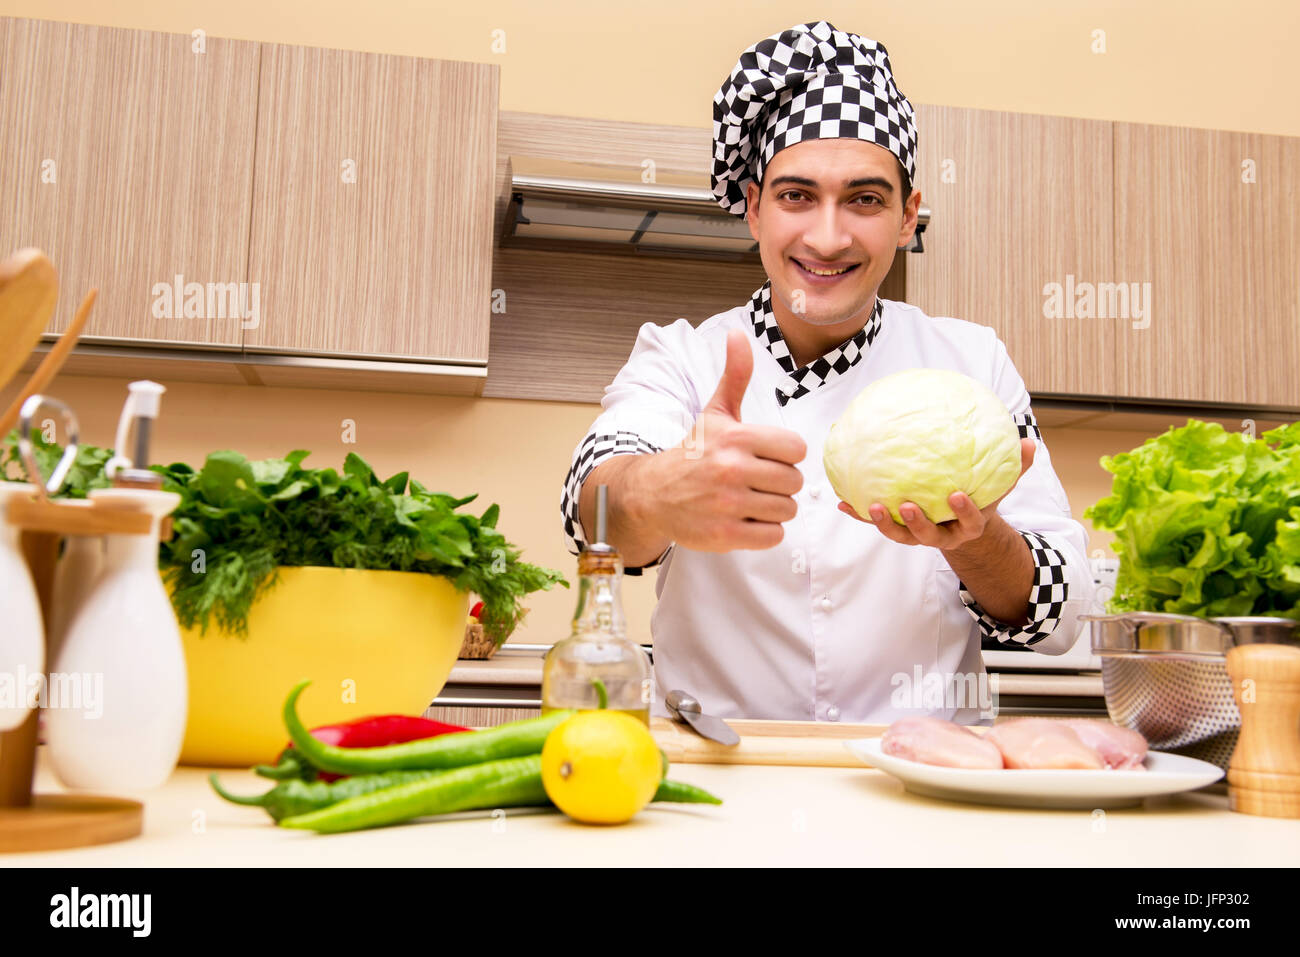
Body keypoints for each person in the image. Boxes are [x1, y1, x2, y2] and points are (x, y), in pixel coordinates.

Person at [558, 21, 1095, 724]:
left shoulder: (972, 362)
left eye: (865, 200)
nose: (829, 236)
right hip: (720, 776)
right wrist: (661, 490)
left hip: (920, 782)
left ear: (908, 216)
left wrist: (980, 540)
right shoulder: (683, 357)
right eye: (797, 196)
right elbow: (592, 514)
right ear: (752, 208)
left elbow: (1058, 616)